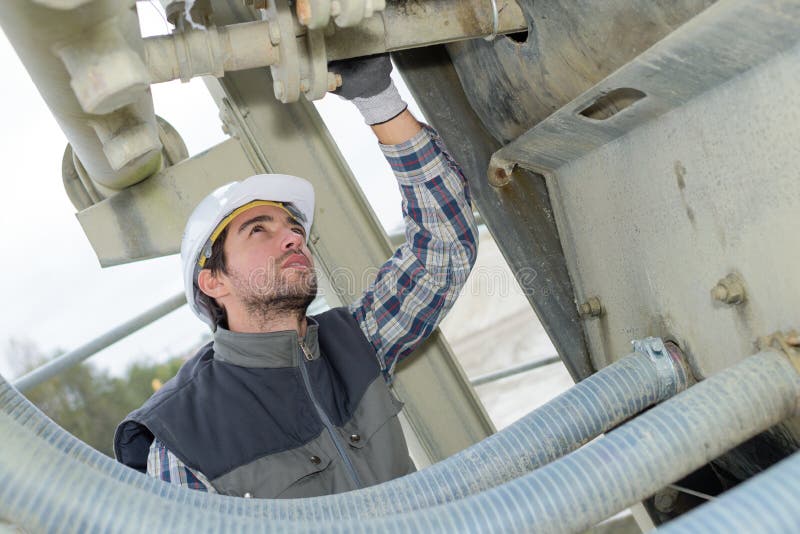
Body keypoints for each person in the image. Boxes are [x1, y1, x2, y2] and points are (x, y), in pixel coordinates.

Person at [113, 55, 478, 499]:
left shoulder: (354, 342)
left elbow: (443, 249)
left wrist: (378, 100)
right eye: (259, 230)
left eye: (294, 228)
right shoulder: (181, 439)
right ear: (213, 282)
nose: (292, 239)